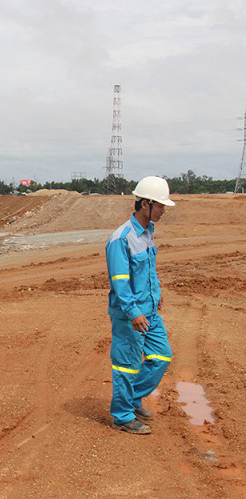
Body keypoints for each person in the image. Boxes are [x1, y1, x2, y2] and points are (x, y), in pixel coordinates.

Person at [105, 176, 175, 434]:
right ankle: (123, 416)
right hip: (130, 315)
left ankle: (132, 399)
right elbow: (120, 282)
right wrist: (133, 312)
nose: (164, 210)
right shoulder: (122, 238)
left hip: (150, 311)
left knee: (162, 357)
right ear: (145, 204)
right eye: (161, 205)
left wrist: (157, 292)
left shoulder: (147, 233)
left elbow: (149, 269)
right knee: (127, 365)